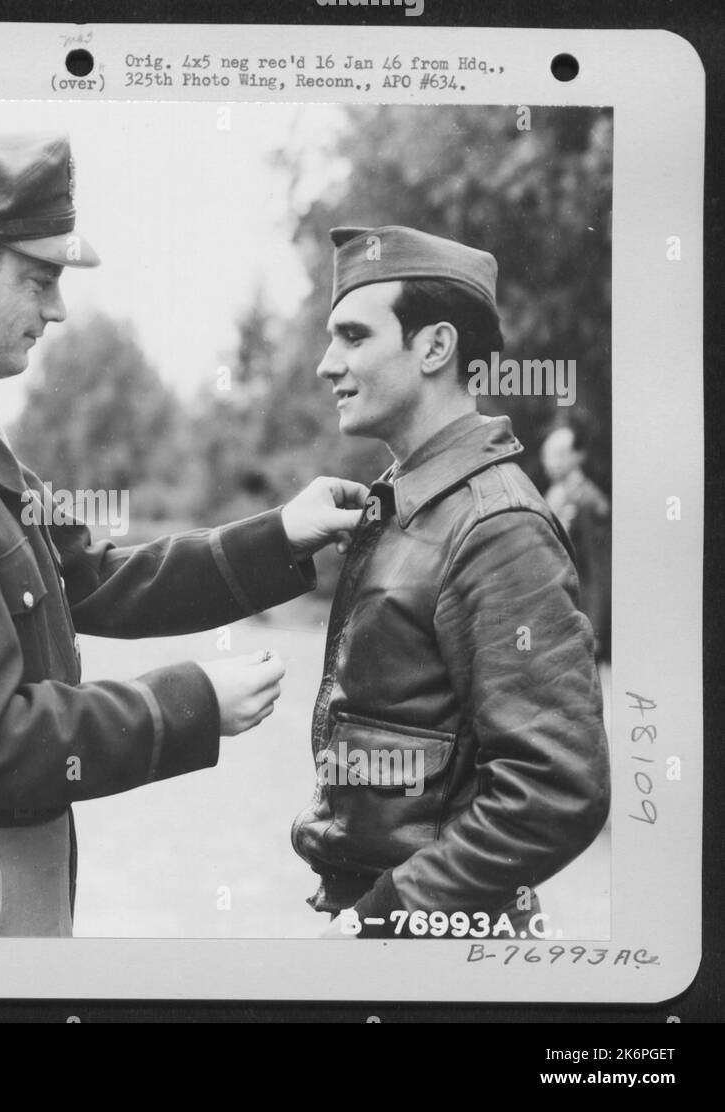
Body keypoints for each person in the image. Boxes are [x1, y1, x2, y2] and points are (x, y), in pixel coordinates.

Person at [0, 133, 368, 937]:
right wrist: (189, 703)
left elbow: (93, 577)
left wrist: (282, 534)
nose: (58, 308)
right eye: (39, 279)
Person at [292, 226, 611, 940]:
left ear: (435, 348)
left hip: (445, 950)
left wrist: (385, 919)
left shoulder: (496, 526)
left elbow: (555, 790)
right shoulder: (406, 500)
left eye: (352, 336)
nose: (325, 364)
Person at [541, 417, 611, 662]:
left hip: (581, 619)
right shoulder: (554, 494)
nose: (551, 462)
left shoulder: (589, 501)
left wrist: (595, 628)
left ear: (577, 456)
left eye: (559, 454)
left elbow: (597, 570)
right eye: (548, 455)